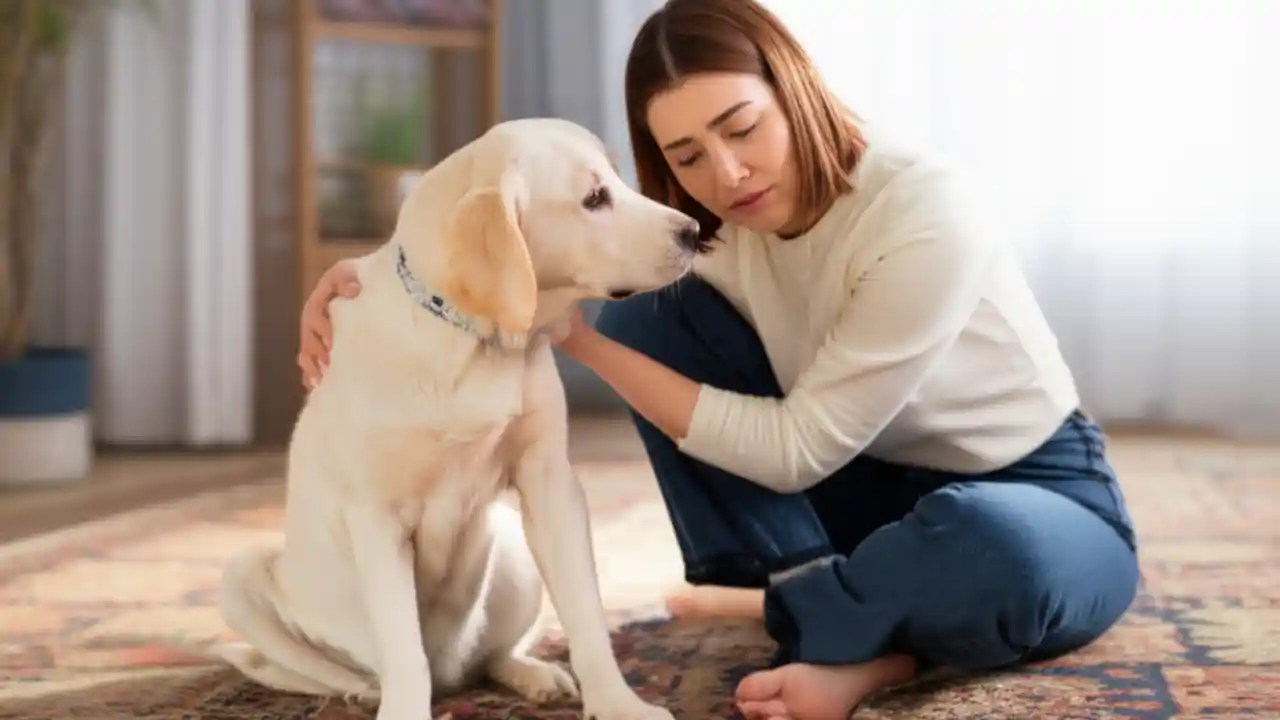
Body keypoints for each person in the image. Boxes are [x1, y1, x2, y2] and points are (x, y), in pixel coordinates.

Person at [297, 1, 1141, 717]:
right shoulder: (719, 220)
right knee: (653, 318)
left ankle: (826, 623)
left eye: (741, 128)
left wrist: (582, 342)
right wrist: (370, 281)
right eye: (686, 156)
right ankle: (838, 601)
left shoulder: (925, 210)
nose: (727, 174)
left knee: (999, 551)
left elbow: (797, 450)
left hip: (1033, 486)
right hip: (866, 487)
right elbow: (512, 245)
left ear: (794, 85)